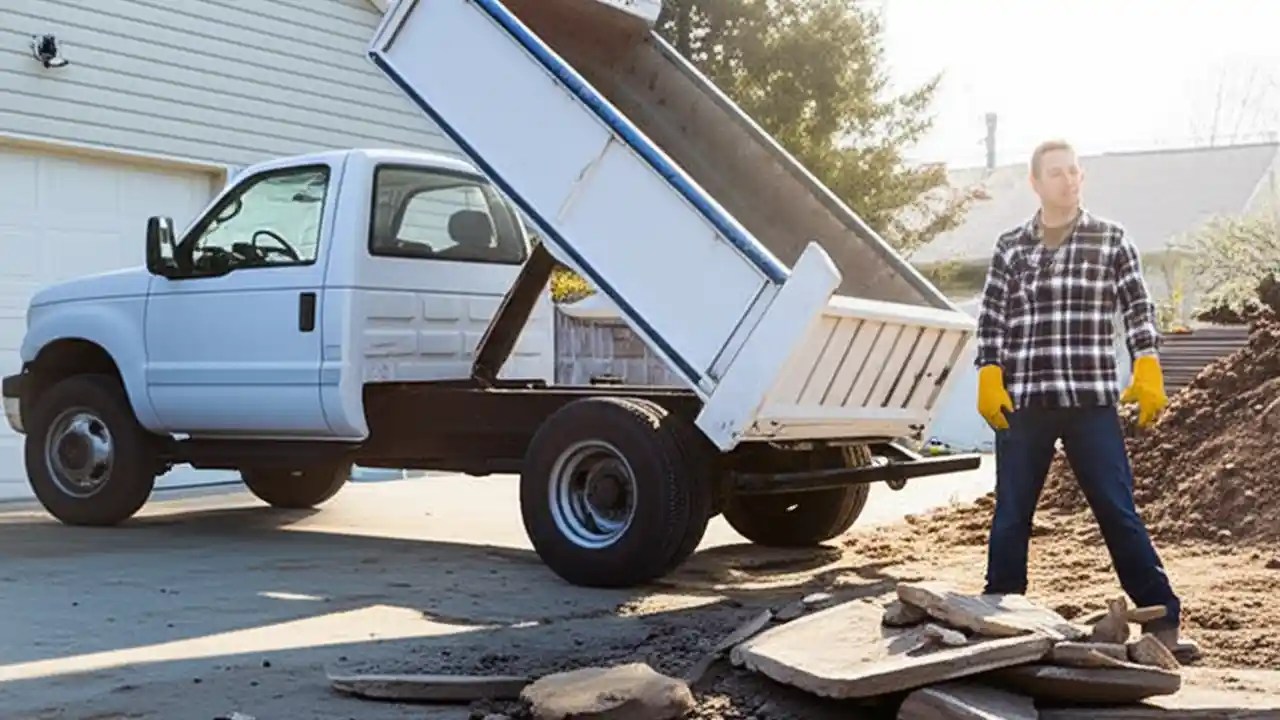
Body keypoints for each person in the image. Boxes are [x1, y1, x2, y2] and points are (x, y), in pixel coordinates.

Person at [974, 138, 1197, 660]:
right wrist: (989, 372)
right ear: (1036, 183)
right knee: (1011, 513)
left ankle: (1162, 620)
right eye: (1056, 173)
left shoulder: (1111, 240)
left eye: (1074, 171)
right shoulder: (1012, 247)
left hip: (1090, 401)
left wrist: (1146, 362)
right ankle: (997, 617)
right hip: (1024, 402)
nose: (1069, 180)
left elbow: (1138, 309)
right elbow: (992, 320)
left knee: (1117, 510)